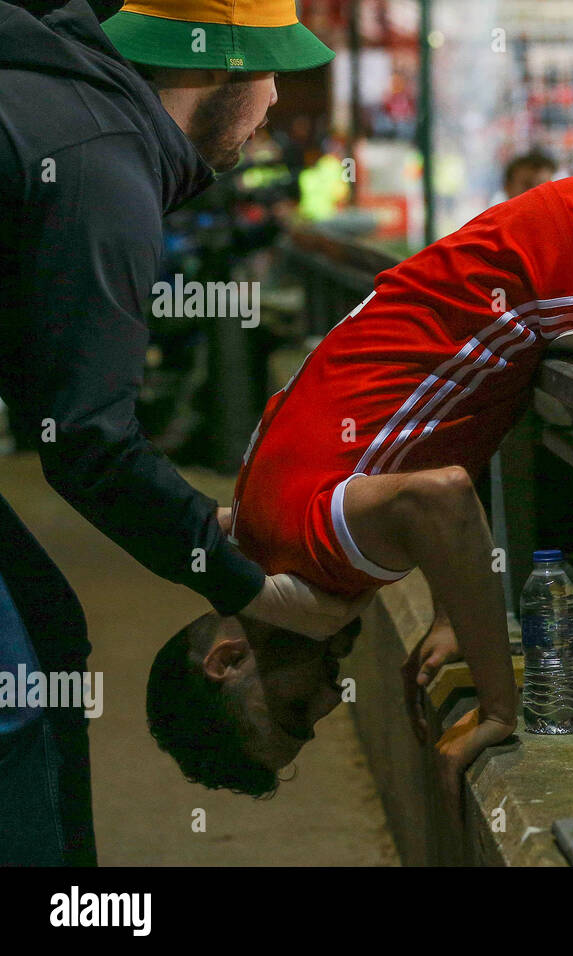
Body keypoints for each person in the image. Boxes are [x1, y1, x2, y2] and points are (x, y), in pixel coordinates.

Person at [148, 174, 573, 813]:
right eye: (311, 724)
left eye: (293, 709)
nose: (326, 701)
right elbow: (404, 440)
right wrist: (450, 612)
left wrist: (496, 706)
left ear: (228, 659)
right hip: (568, 246)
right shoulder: (256, 534)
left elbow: (439, 496)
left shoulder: (310, 555)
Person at [0, 0, 364, 866]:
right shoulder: (100, 163)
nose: (277, 100)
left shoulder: (65, 110)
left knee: (46, 631)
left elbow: (48, 392)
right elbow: (87, 443)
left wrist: (208, 534)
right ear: (225, 72)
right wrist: (246, 582)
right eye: (271, 73)